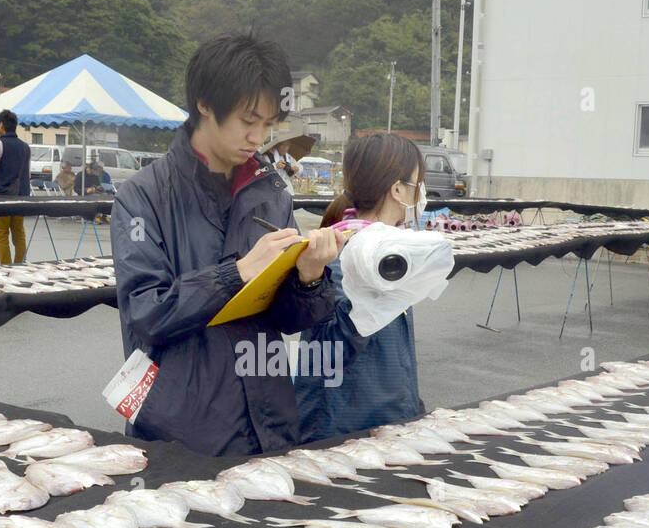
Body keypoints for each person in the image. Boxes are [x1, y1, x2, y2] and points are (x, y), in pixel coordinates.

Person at [111, 33, 342, 457]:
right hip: (180, 431)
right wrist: (235, 273)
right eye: (248, 121)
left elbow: (290, 322)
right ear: (204, 104)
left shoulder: (272, 192)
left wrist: (309, 278)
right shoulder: (143, 196)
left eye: (269, 125)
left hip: (267, 426)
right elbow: (145, 314)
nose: (258, 137)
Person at [294, 133, 426, 441]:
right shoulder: (341, 257)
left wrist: (412, 409)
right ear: (397, 190)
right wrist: (369, 290)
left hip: (390, 426)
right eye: (417, 186)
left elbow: (396, 354)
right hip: (345, 437)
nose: (421, 195)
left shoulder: (389, 254)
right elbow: (324, 357)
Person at [0, 109, 30, 265]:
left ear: (1, 125)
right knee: (19, 234)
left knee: (1, 235)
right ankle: (20, 265)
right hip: (21, 198)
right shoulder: (25, 147)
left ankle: (7, 267)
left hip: (1, 197)